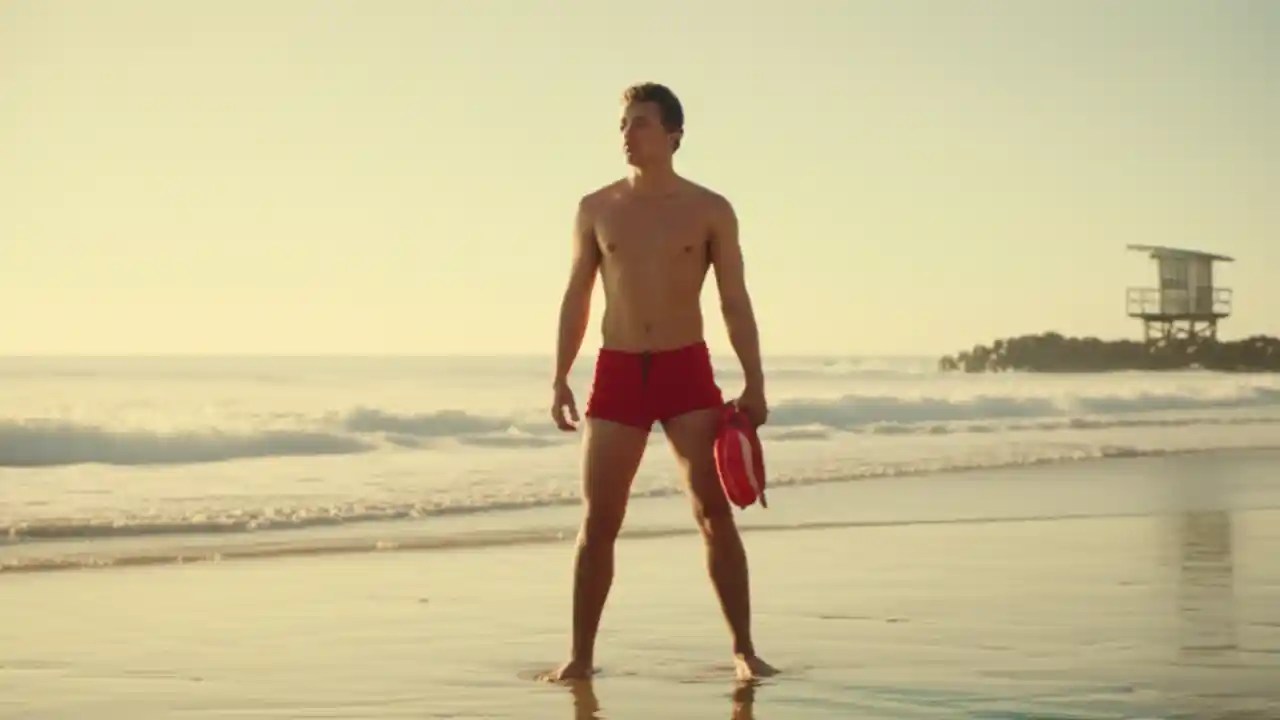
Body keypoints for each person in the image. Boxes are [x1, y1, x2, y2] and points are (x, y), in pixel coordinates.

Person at [541, 82, 776, 683]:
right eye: (623, 124)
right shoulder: (597, 208)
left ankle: (744, 649)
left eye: (640, 123)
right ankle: (581, 657)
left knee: (712, 513)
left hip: (684, 368)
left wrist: (754, 381)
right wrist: (560, 375)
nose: (627, 134)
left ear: (673, 135)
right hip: (618, 371)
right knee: (599, 522)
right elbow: (576, 297)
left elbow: (734, 301)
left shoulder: (709, 209)